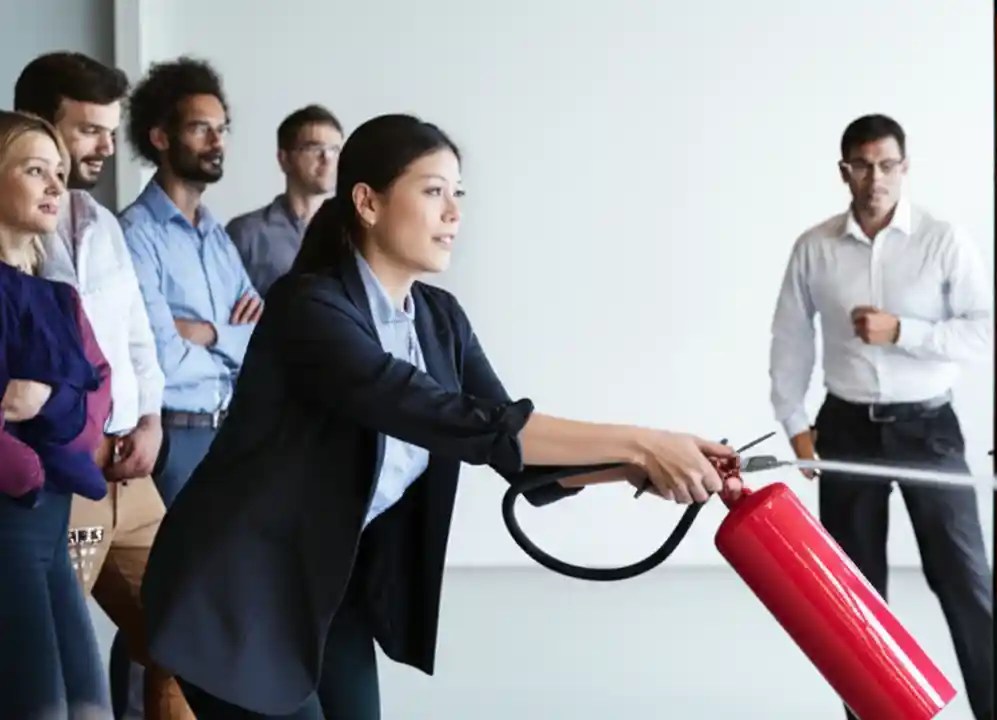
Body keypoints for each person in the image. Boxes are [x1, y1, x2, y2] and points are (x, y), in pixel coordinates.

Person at [140, 113, 742, 719]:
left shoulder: (439, 319)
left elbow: (513, 446)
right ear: (368, 202)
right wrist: (644, 445)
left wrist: (637, 467)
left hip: (323, 587)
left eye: (458, 194)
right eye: (433, 191)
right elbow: (452, 417)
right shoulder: (309, 309)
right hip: (232, 594)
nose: (454, 212)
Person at [767, 113, 994, 720]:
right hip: (845, 430)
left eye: (887, 165)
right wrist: (795, 425)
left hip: (929, 430)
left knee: (965, 582)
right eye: (862, 166)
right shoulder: (814, 248)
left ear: (905, 167)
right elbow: (790, 340)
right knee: (853, 599)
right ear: (844, 171)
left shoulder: (943, 241)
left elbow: (987, 330)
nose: (876, 179)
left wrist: (904, 332)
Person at [14, 52, 193, 720]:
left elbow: (140, 339)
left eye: (111, 131)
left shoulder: (104, 224)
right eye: (91, 129)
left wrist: (149, 421)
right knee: (55, 679)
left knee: (186, 637)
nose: (107, 147)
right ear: (39, 123)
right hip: (61, 475)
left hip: (132, 474)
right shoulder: (17, 241)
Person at [0, 109, 114, 720]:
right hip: (10, 523)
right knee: (37, 707)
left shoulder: (58, 295)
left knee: (90, 706)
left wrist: (47, 404)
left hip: (54, 525)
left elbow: (95, 396)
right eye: (34, 170)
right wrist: (35, 466)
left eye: (59, 173)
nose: (54, 187)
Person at [118, 56, 260, 507]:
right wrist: (232, 342)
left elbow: (264, 340)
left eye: (222, 129)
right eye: (201, 128)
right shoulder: (135, 234)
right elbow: (163, 359)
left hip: (232, 433)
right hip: (176, 438)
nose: (217, 141)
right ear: (160, 137)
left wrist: (209, 333)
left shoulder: (217, 237)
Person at [227, 104, 343, 295]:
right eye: (314, 148)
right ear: (284, 159)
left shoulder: (352, 233)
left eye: (335, 149)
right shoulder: (246, 233)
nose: (327, 158)